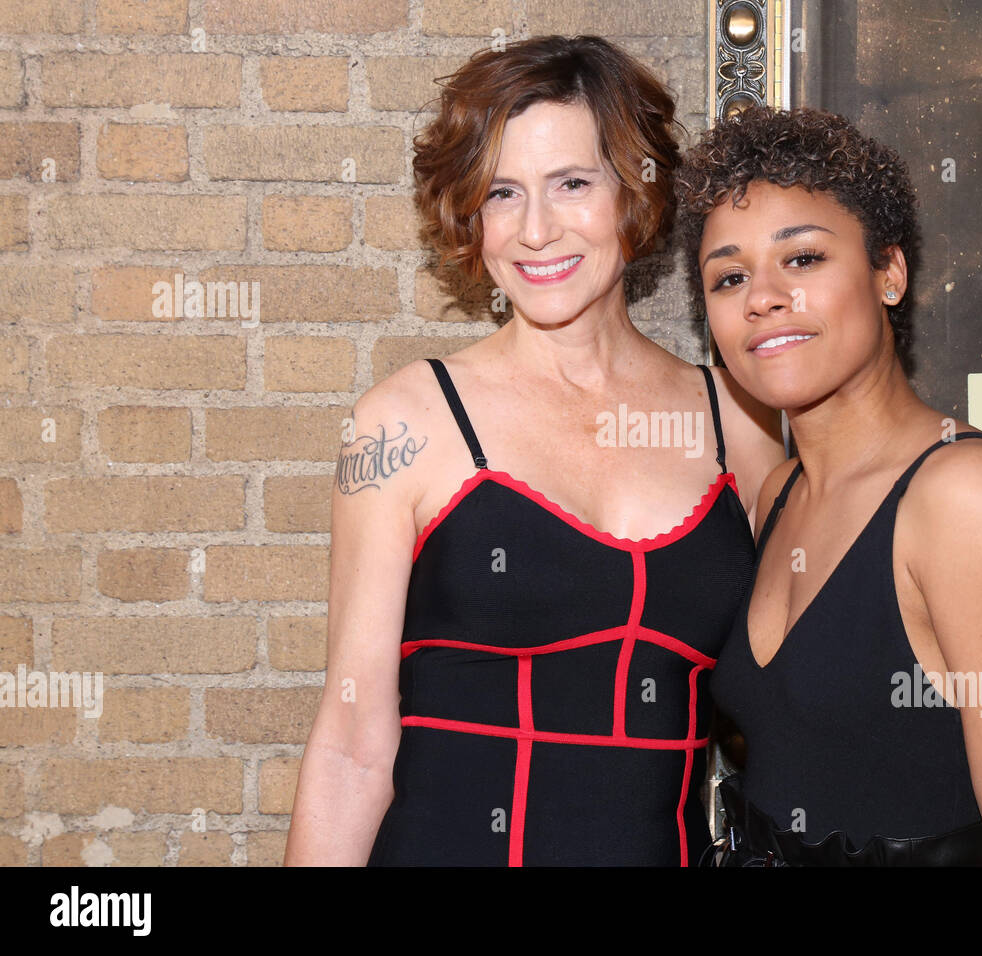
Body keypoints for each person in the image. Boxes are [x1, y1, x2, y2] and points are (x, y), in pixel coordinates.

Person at [284, 36, 784, 866]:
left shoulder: (738, 418)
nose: (536, 230)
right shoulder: (404, 423)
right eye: (502, 193)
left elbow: (799, 697)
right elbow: (351, 740)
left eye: (573, 185)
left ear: (635, 193)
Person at [674, 105, 982, 866]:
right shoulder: (776, 498)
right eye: (729, 276)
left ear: (889, 274)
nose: (762, 297)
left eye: (802, 260)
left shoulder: (966, 496)